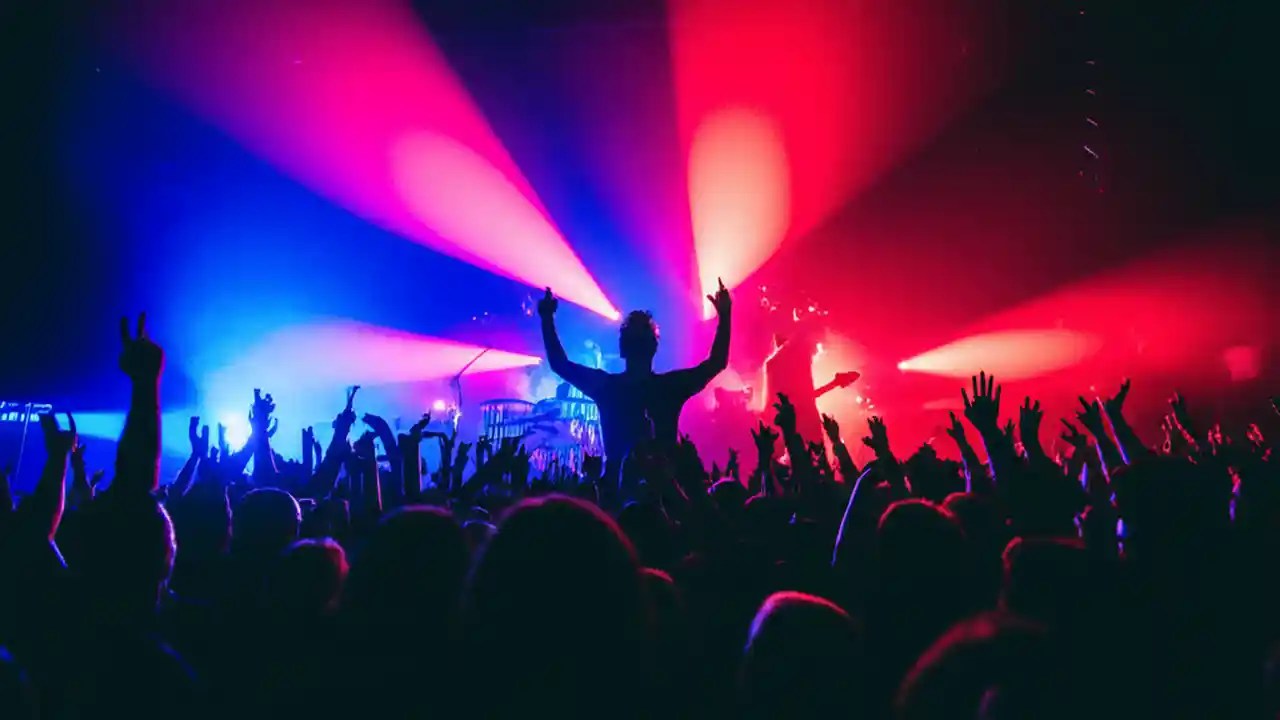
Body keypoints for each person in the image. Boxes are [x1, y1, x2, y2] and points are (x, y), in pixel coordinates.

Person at [538, 282, 732, 489]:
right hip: (664, 493)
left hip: (616, 494)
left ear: (622, 348)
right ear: (654, 347)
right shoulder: (669, 388)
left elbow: (560, 365)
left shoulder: (607, 388)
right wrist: (725, 316)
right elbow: (716, 363)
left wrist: (547, 318)